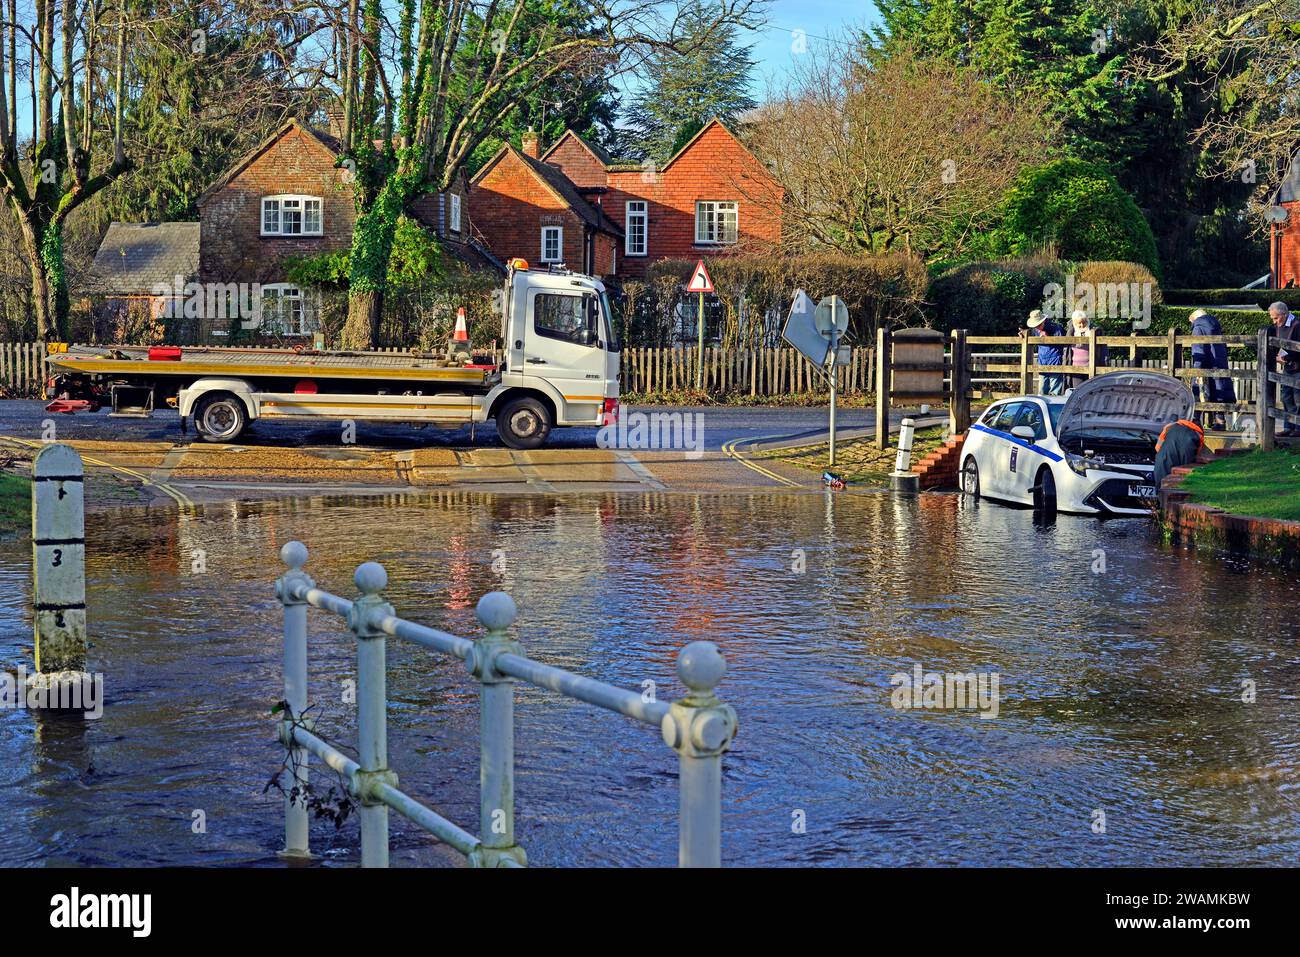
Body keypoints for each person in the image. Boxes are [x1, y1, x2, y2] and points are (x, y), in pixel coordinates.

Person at [1188, 309, 1235, 430]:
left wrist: (1197, 369)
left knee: (1198, 391)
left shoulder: (1198, 327)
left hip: (1204, 363)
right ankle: (1220, 422)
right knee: (1218, 389)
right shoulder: (1216, 326)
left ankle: (1195, 422)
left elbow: (1198, 348)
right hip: (1219, 363)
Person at [1270, 301, 1300, 437]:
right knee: (1286, 397)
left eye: (1276, 318)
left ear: (1284, 314)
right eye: (1272, 318)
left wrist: (1285, 358)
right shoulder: (1278, 326)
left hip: (1298, 366)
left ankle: (1298, 428)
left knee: (1298, 398)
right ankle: (1288, 426)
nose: (1274, 321)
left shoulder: (1297, 325)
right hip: (1287, 367)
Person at [1020, 309, 1066, 394]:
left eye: (1038, 325)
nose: (1037, 327)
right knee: (1041, 391)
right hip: (1042, 363)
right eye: (1035, 326)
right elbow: (1030, 337)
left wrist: (1049, 338)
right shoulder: (1035, 330)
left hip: (1055, 362)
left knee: (1055, 392)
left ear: (1043, 321)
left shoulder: (1057, 328)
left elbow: (1064, 344)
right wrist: (1024, 335)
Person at [1153, 417, 1207, 490]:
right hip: (1185, 460)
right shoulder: (1198, 433)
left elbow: (1157, 447)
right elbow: (1198, 453)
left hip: (1163, 460)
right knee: (1181, 486)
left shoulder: (1169, 427)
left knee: (1161, 489)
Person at [1067, 310, 1108, 389]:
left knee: (1090, 391)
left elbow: (1103, 349)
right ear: (1074, 323)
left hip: (1091, 367)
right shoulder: (1071, 332)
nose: (1082, 325)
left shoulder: (1094, 331)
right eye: (1079, 323)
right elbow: (1066, 350)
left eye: (1084, 322)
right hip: (1075, 368)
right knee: (1077, 390)